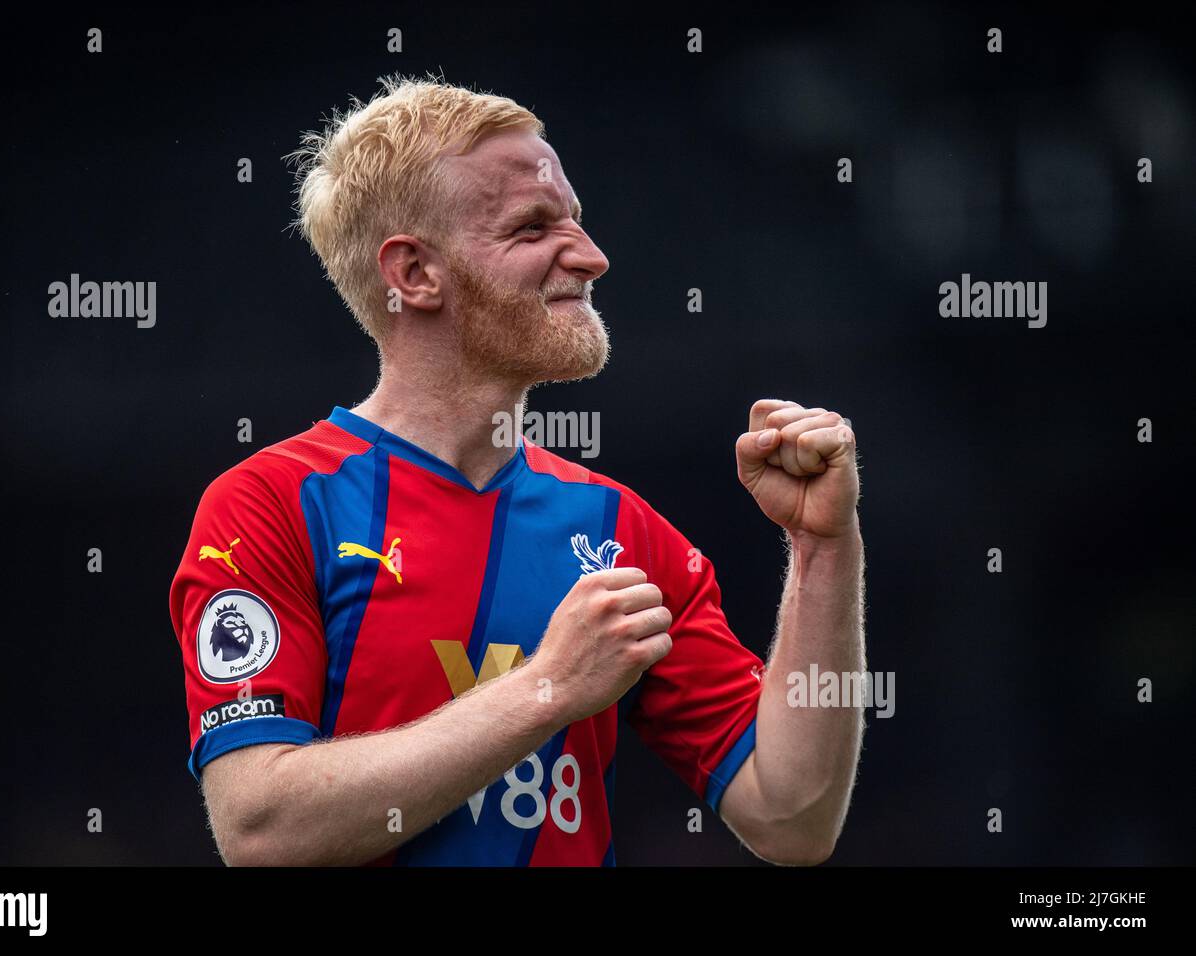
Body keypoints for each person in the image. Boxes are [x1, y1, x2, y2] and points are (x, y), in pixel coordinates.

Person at [168, 75, 866, 866]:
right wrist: (547, 689)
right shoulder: (272, 505)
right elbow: (260, 829)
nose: (592, 257)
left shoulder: (618, 529)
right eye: (534, 227)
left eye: (577, 219)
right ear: (414, 275)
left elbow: (791, 817)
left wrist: (822, 549)